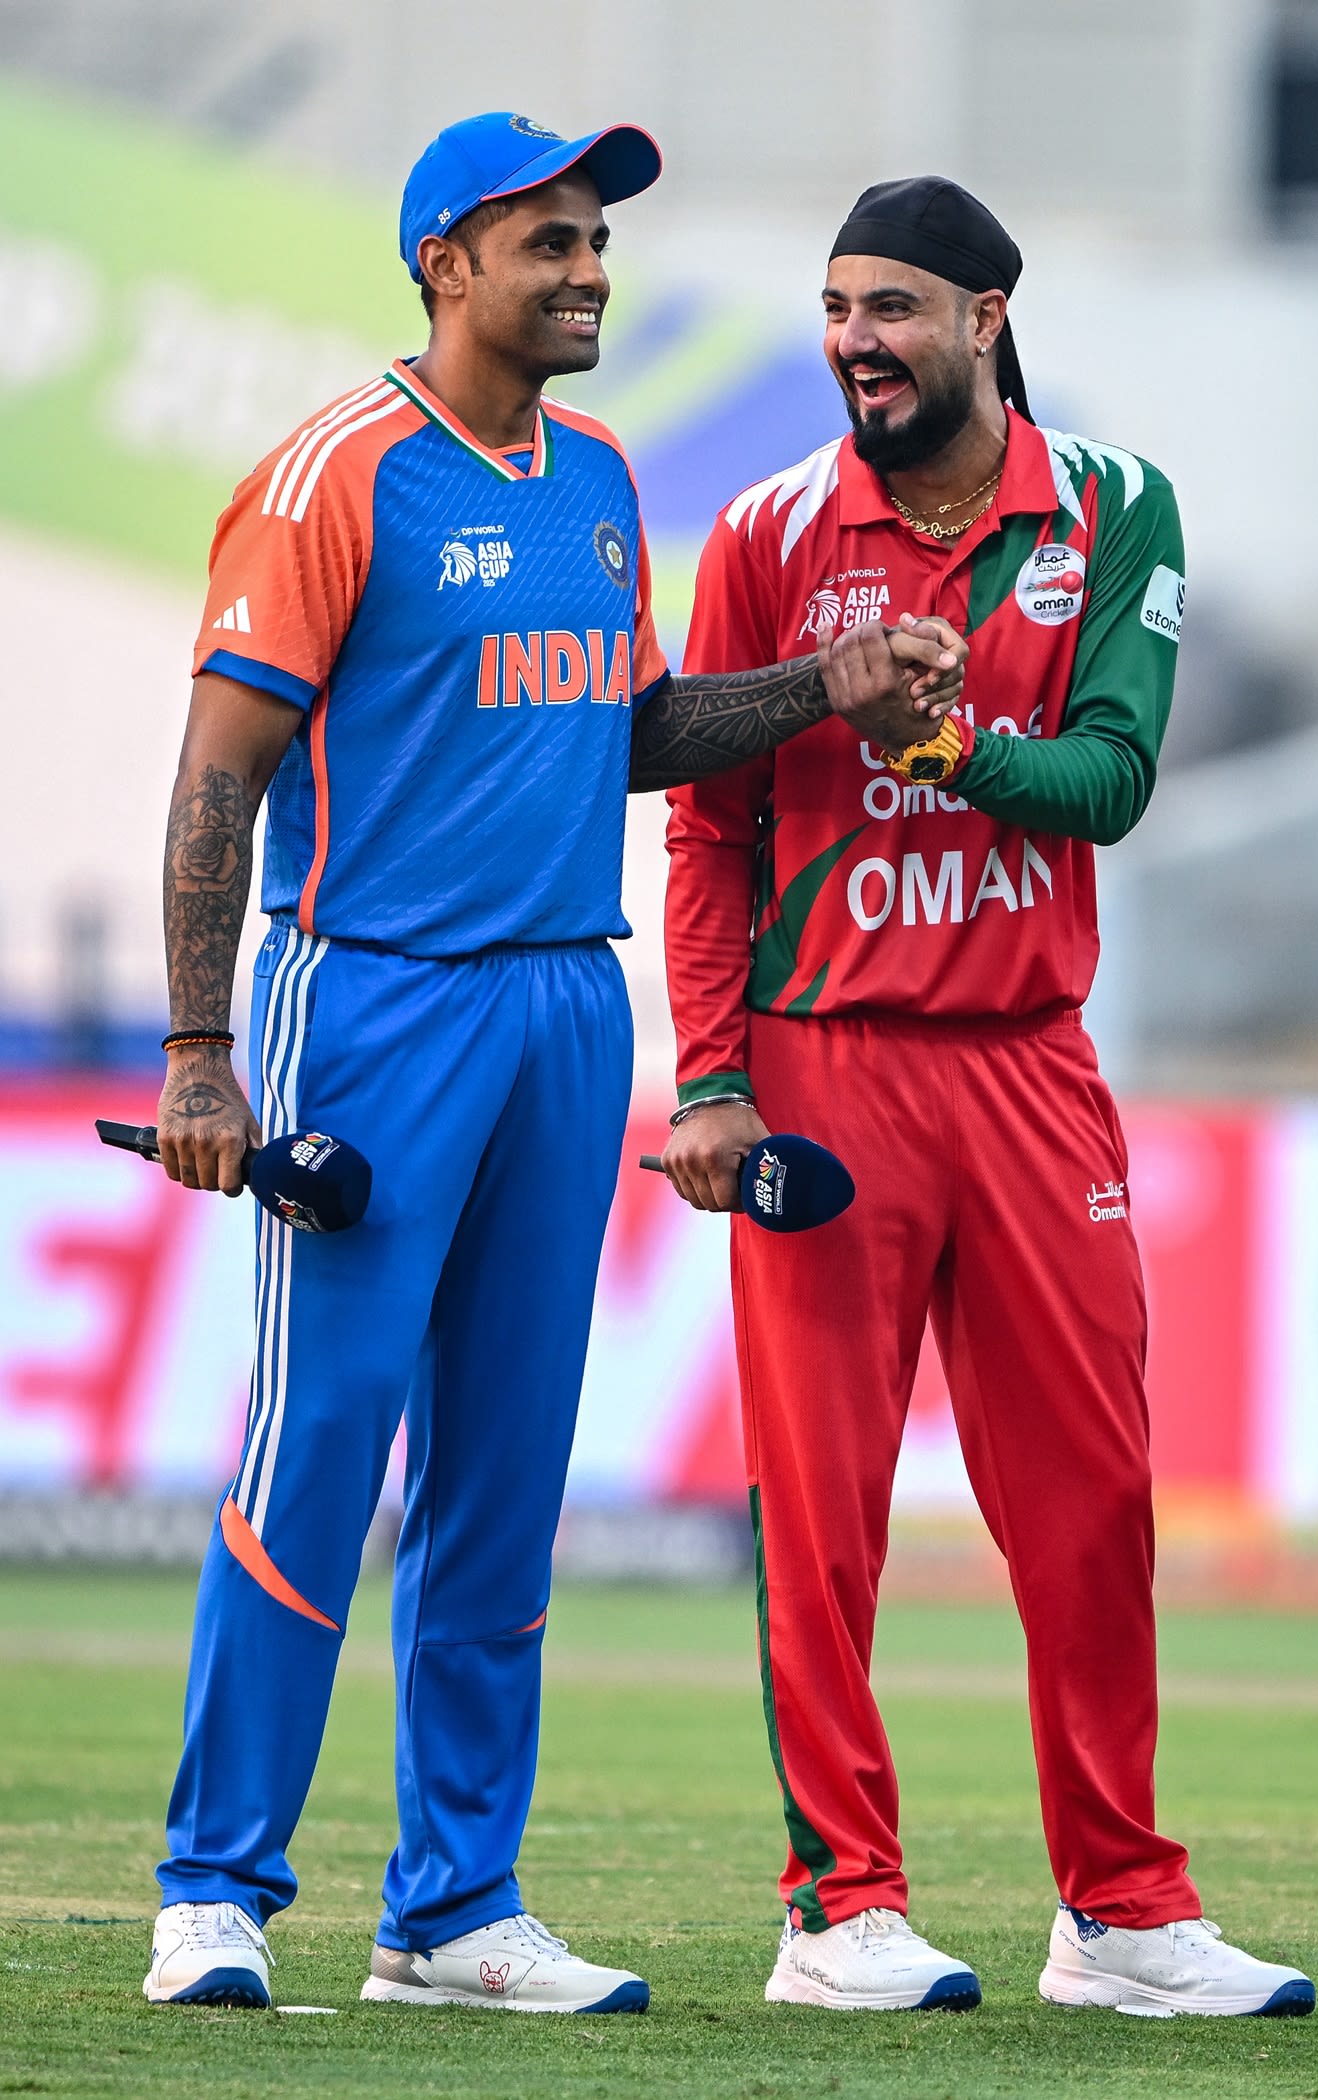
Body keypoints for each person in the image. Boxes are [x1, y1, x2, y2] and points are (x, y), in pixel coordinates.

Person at [142, 117, 961, 2017]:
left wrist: (824, 692)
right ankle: (215, 1888)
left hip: (563, 1010)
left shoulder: (599, 476)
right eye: (552, 245)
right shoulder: (332, 476)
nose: (591, 270)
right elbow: (219, 777)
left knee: (504, 1480)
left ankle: (453, 1910)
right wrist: (200, 1052)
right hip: (370, 1002)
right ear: (446, 263)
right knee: (320, 1444)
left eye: (597, 241)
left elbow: (635, 727)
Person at [662, 177, 1316, 2020]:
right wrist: (710, 1078)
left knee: (1094, 1499)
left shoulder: (1115, 508)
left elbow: (1110, 784)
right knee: (826, 1508)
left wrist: (932, 735)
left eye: (895, 309)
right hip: (821, 1067)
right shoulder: (771, 530)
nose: (857, 343)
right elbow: (704, 833)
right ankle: (837, 1909)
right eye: (837, 310)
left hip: (1029, 1061)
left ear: (986, 316)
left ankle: (1120, 1913)